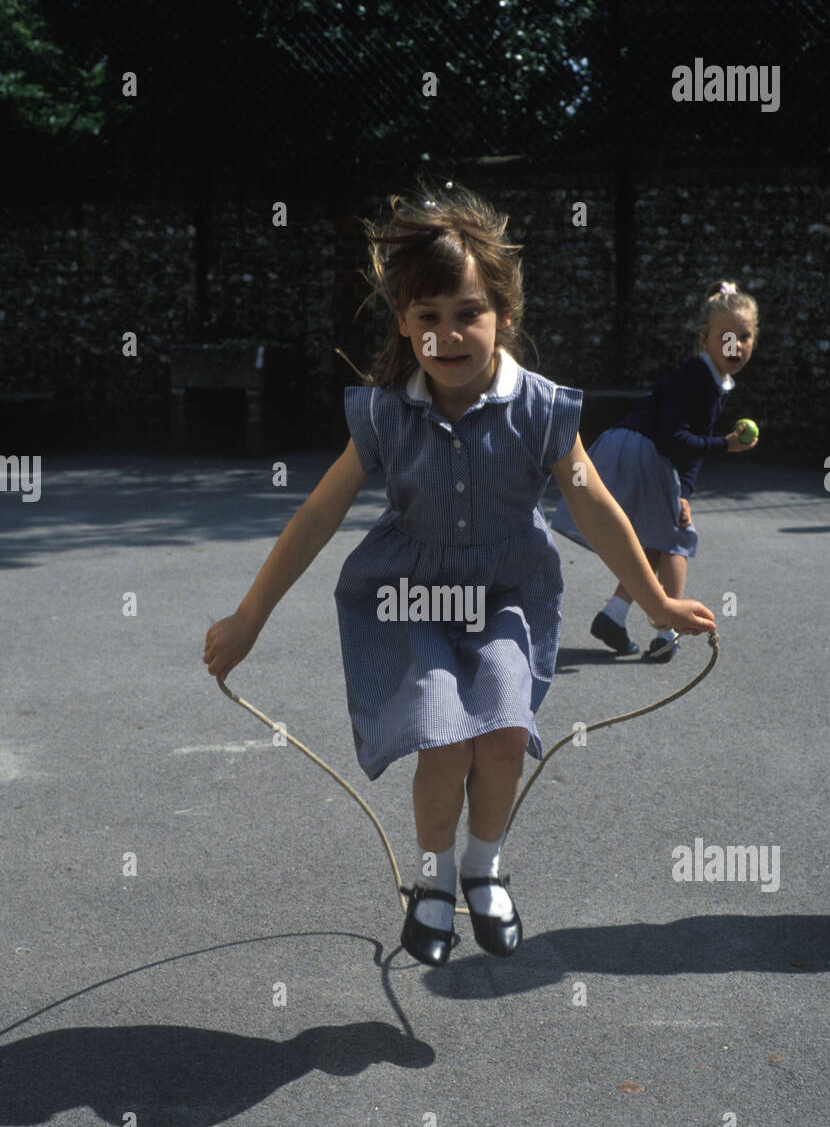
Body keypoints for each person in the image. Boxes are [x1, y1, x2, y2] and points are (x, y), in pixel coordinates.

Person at [203, 183, 715, 968]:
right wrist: (249, 617)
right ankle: (434, 882)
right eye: (427, 317)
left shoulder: (541, 409)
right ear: (405, 325)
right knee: (444, 740)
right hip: (413, 595)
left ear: (502, 314)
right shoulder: (384, 414)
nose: (447, 335)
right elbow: (316, 515)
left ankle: (484, 868)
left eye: (466, 313)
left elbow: (599, 509)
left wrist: (655, 600)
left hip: (509, 591)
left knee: (505, 733)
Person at [552, 280, 759, 661]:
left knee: (652, 536)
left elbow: (687, 444)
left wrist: (684, 493)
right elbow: (676, 439)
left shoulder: (712, 380)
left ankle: (614, 615)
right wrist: (725, 445)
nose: (736, 346)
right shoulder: (699, 379)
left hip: (627, 444)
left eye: (744, 336)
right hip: (643, 450)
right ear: (704, 340)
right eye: (726, 337)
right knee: (675, 539)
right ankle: (668, 631)